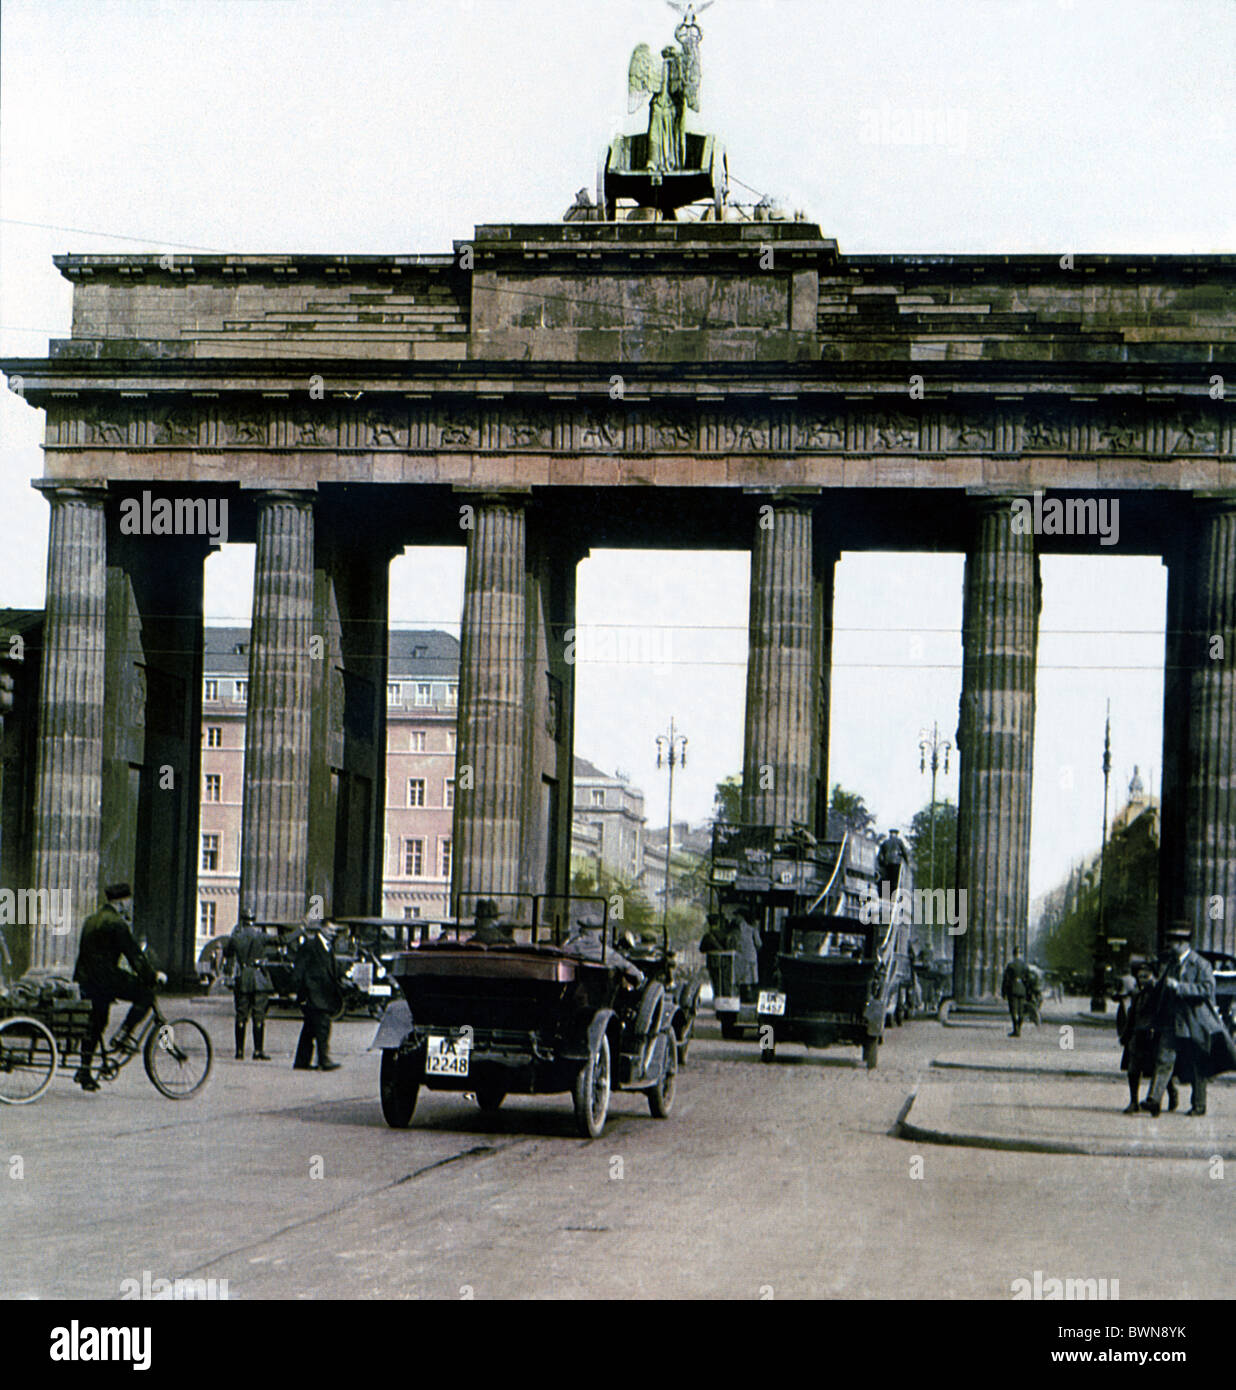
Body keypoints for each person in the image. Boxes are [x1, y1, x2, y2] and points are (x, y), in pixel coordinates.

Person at [72, 883, 166, 1091]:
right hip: (106, 978)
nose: (129, 906)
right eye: (128, 902)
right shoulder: (116, 923)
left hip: (86, 979)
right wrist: (152, 976)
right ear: (122, 902)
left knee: (96, 1022)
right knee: (146, 995)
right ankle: (124, 1033)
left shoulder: (91, 920)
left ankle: (84, 1070)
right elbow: (134, 955)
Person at [1142, 922, 1236, 1117]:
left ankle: (1199, 1105)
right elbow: (1163, 991)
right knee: (1163, 1059)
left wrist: (1180, 987)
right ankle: (1154, 1100)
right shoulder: (1172, 965)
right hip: (1173, 1022)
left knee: (1198, 1065)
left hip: (1195, 1022)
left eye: (1174, 942)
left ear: (1184, 944)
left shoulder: (1201, 964)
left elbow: (1207, 990)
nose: (1170, 946)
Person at [1118, 958, 1178, 1115]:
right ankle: (1134, 1102)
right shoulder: (1138, 995)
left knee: (1157, 1070)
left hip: (1155, 1036)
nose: (1143, 980)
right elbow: (1132, 1017)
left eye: (1146, 976)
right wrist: (1126, 1035)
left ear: (1155, 976)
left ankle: (1165, 1097)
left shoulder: (1161, 995)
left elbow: (1165, 1015)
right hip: (1137, 1036)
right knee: (1133, 1069)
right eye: (1140, 977)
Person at [291, 919, 343, 1071]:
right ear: (322, 929)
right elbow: (299, 970)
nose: (333, 934)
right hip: (314, 994)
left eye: (335, 931)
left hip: (324, 995)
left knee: (309, 1029)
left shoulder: (328, 947)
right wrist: (299, 993)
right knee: (322, 1027)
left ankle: (301, 1061)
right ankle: (324, 1060)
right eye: (331, 930)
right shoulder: (311, 945)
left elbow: (330, 969)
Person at [223, 908, 272, 1061]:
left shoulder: (236, 937)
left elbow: (227, 953)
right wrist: (300, 932)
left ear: (242, 920)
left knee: (241, 1015)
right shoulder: (260, 935)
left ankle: (239, 1052)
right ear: (254, 919)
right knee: (259, 1016)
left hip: (243, 978)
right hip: (258, 979)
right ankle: (258, 1051)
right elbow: (280, 941)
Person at [1000, 946, 1034, 1037]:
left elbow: (1006, 979)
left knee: (1013, 1011)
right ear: (1021, 954)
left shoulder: (1010, 965)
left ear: (1013, 954)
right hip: (1022, 990)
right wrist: (1029, 991)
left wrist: (1003, 992)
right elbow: (1029, 979)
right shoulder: (1024, 966)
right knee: (1021, 1011)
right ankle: (1019, 1027)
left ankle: (1016, 1029)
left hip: (1012, 989)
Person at [729, 911, 761, 1003]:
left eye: (737, 916)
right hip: (743, 957)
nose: (735, 918)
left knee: (746, 979)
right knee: (744, 979)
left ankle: (748, 998)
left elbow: (758, 943)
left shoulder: (750, 929)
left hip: (746, 958)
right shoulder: (737, 930)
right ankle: (744, 998)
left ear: (742, 917)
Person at [876, 830, 911, 901]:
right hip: (896, 863)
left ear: (890, 834)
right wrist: (907, 862)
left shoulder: (885, 842)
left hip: (886, 863)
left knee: (886, 879)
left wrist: (882, 863)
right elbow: (904, 853)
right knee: (894, 881)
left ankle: (885, 897)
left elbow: (879, 855)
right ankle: (893, 897)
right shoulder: (899, 842)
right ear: (896, 834)